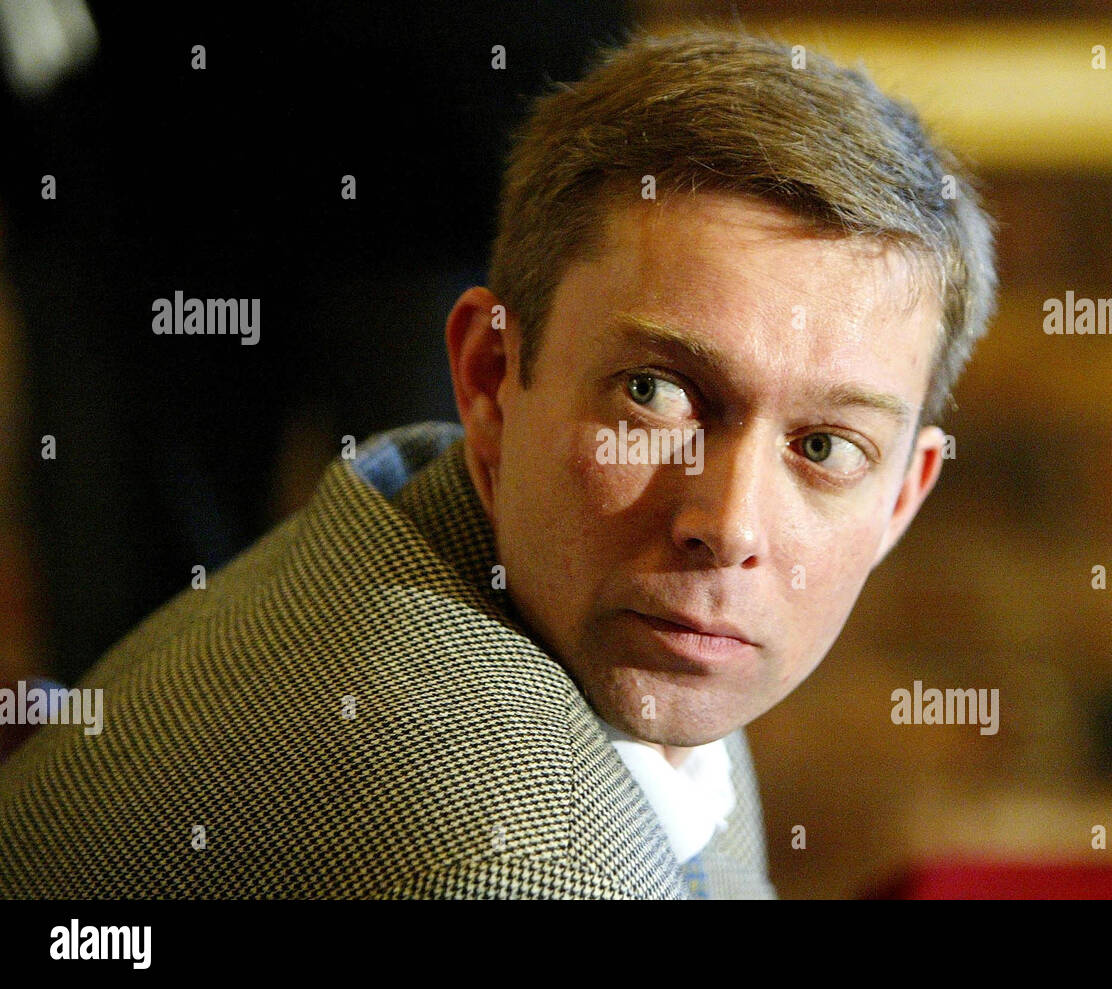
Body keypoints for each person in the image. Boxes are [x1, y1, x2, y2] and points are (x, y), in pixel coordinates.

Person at [0, 27, 996, 899]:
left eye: (823, 447)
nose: (728, 524)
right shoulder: (526, 855)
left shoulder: (599, 603)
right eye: (653, 392)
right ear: (487, 377)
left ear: (904, 493)